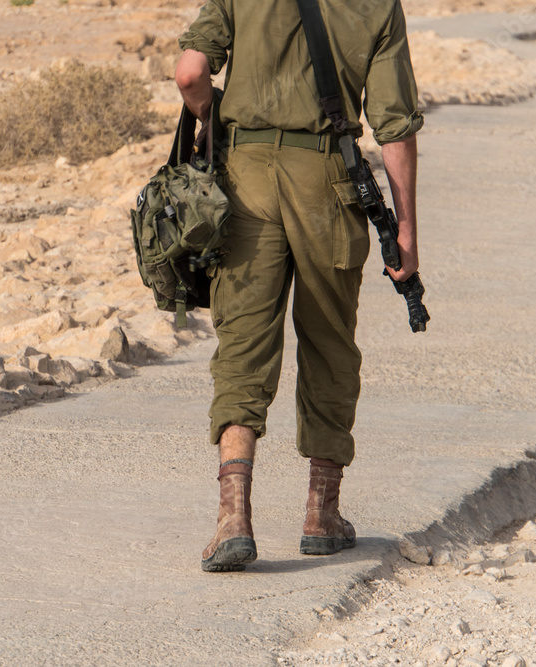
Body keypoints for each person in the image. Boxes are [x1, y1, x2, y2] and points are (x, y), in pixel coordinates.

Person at [175, 0, 423, 572]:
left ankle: (233, 518)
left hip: (244, 181)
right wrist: (406, 232)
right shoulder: (378, 6)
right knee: (330, 344)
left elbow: (190, 73)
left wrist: (210, 116)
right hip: (329, 182)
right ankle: (320, 515)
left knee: (242, 349)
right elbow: (395, 127)